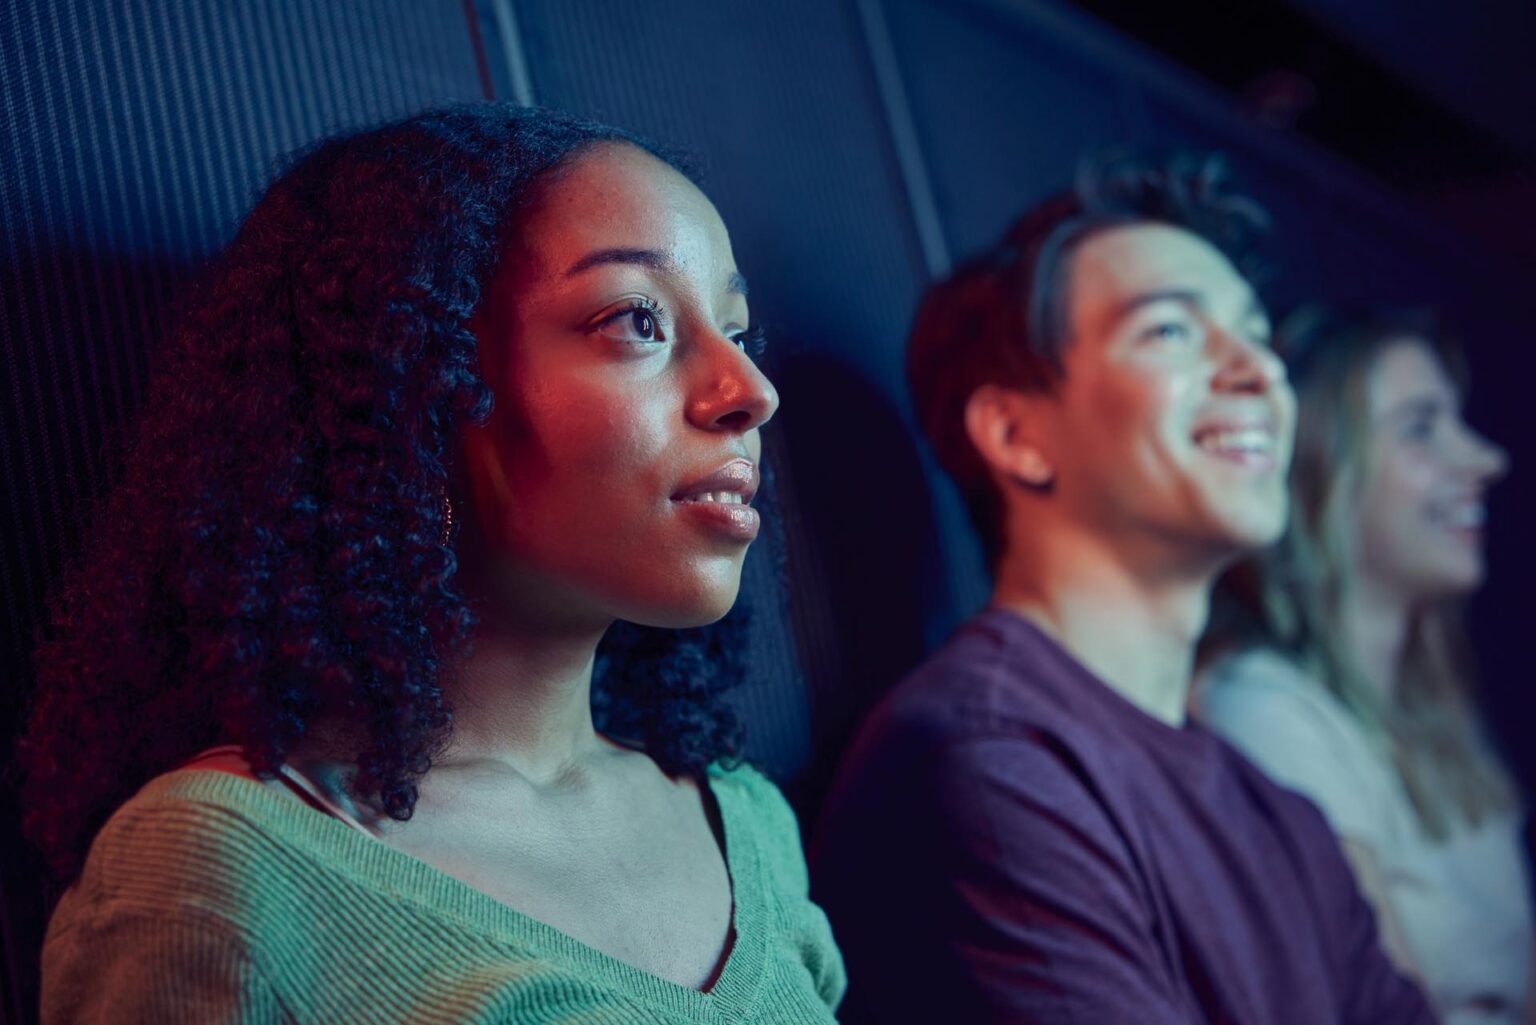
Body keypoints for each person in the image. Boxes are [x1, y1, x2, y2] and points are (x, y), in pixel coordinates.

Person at [21, 104, 844, 1024]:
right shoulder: (220, 868)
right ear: (420, 387)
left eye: (740, 331)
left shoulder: (750, 827)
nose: (751, 391)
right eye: (636, 320)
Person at [810, 154, 1436, 1024]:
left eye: (1255, 334)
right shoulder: (989, 763)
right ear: (1016, 433)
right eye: (1172, 331)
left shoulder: (1281, 815)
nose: (1259, 372)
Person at [1196, 308, 1529, 1025]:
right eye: (1420, 427)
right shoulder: (1266, 712)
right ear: (1322, 471)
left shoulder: (1438, 712)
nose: (1485, 459)